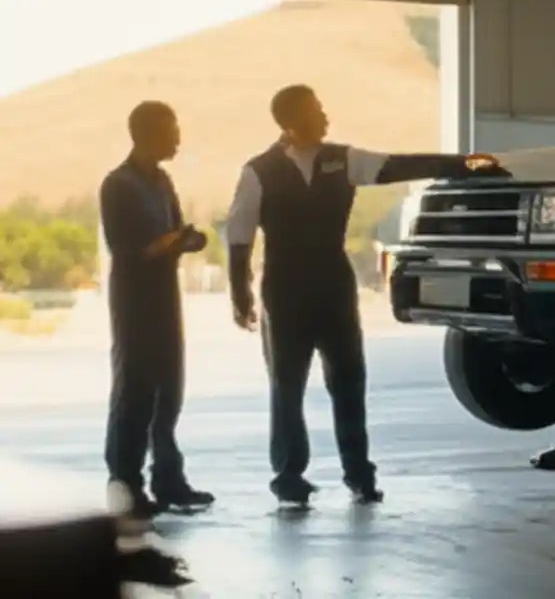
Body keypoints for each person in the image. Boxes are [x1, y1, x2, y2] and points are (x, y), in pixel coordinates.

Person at [224, 84, 507, 505]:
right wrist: (239, 294)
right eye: (315, 111)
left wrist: (462, 164)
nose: (324, 116)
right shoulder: (258, 171)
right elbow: (239, 235)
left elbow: (399, 165)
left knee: (349, 380)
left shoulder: (341, 159)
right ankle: (288, 477)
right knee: (286, 385)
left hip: (333, 285)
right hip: (284, 291)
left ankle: (359, 474)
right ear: (290, 121)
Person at [99, 101, 214, 518]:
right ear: (146, 134)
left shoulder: (162, 181)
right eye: (170, 130)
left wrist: (183, 239)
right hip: (134, 301)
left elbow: (174, 233)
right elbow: (129, 249)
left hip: (165, 296)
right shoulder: (118, 185)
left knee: (169, 390)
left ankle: (169, 480)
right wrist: (174, 240)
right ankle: (125, 484)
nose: (177, 138)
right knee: (134, 391)